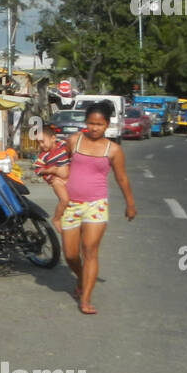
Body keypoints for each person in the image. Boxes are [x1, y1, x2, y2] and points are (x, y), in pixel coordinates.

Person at [61, 101, 136, 315]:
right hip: (71, 204)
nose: (94, 128)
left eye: (99, 124)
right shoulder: (74, 141)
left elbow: (121, 178)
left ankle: (85, 298)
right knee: (70, 254)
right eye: (91, 123)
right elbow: (62, 163)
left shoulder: (113, 149)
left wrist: (130, 204)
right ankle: (83, 277)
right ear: (85, 122)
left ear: (107, 125)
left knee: (90, 251)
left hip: (96, 205)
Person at [33, 124, 71, 230]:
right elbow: (37, 170)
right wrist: (50, 170)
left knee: (74, 202)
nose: (41, 145)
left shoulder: (64, 146)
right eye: (38, 143)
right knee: (64, 200)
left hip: (70, 178)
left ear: (53, 138)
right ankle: (57, 218)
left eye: (42, 141)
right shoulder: (43, 156)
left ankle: (68, 219)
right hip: (56, 181)